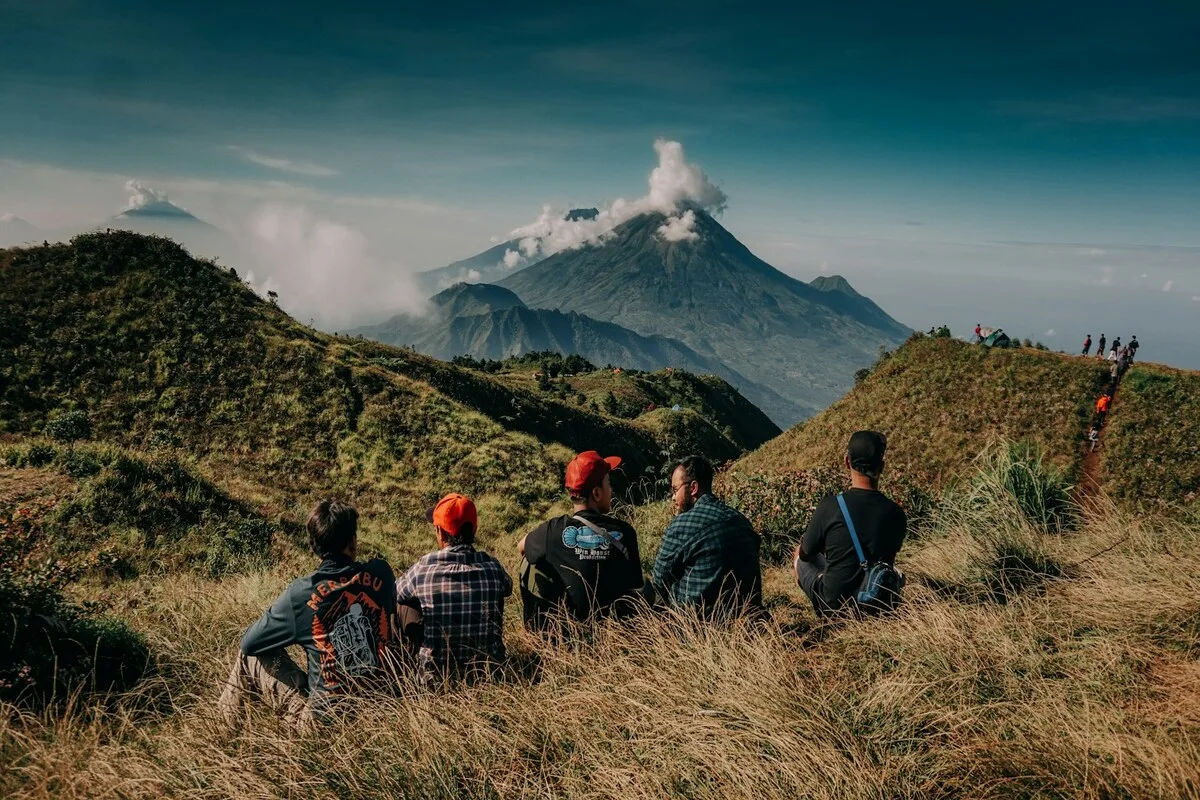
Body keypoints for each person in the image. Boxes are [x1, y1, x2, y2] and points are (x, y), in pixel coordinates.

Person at [219, 500, 416, 727]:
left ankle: (222, 733)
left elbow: (249, 644)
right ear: (353, 541)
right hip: (378, 711)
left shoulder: (300, 594)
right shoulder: (382, 573)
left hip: (324, 724)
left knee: (249, 657)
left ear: (312, 546)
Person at [518, 450, 644, 631]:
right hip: (616, 629)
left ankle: (539, 630)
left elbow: (521, 547)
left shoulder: (553, 531)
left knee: (529, 562)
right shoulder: (625, 532)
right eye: (608, 483)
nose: (611, 490)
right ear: (596, 493)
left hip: (572, 630)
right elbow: (636, 585)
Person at [396, 493, 511, 682]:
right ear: (474, 530)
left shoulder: (423, 569)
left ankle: (407, 662)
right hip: (490, 674)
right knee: (498, 592)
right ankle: (490, 652)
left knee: (402, 604)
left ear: (440, 532)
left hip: (436, 679)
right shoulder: (493, 567)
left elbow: (395, 593)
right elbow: (508, 587)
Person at [794, 432, 908, 616]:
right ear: (882, 467)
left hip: (833, 606)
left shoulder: (831, 506)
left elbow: (806, 555)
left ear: (847, 462)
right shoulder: (896, 513)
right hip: (875, 603)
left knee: (798, 553)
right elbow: (888, 560)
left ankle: (822, 615)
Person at [652, 455, 764, 617]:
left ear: (693, 488)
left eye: (675, 490)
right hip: (749, 619)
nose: (673, 497)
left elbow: (659, 582)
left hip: (698, 625)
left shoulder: (682, 524)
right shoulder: (741, 520)